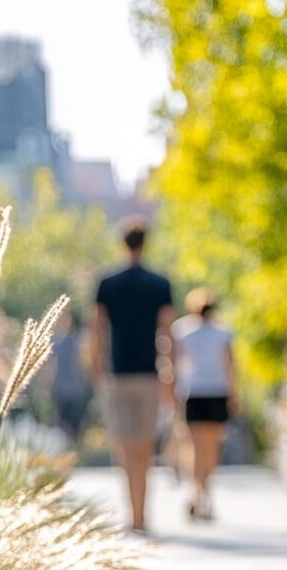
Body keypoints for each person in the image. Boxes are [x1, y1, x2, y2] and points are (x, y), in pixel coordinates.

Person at [91, 219, 175, 533]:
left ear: (123, 244)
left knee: (125, 447)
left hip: (118, 374)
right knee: (145, 447)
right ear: (146, 243)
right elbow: (168, 333)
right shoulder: (159, 284)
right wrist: (171, 377)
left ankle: (132, 515)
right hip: (149, 375)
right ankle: (142, 515)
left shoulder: (107, 283)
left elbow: (97, 329)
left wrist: (98, 368)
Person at [171, 288, 237, 521]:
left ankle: (198, 493)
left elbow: (174, 364)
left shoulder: (181, 331)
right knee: (211, 448)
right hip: (216, 392)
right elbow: (230, 367)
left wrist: (172, 394)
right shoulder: (223, 333)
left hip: (194, 393)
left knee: (195, 447)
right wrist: (234, 397)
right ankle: (204, 494)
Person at [51, 312, 91, 440]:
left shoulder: (78, 342)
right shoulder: (60, 342)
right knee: (64, 424)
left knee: (73, 424)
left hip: (72, 389)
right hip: (64, 389)